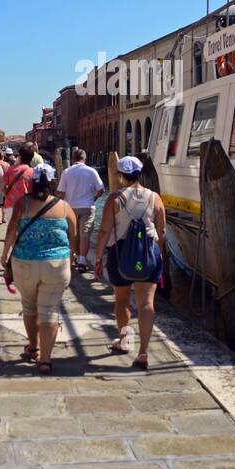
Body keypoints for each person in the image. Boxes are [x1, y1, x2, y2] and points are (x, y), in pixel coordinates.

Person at [1, 163, 77, 375]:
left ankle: (33, 346)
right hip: (56, 265)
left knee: (29, 305)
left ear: (31, 182)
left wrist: (4, 254)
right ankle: (45, 359)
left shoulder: (22, 203)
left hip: (25, 263)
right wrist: (72, 255)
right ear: (53, 181)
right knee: (49, 310)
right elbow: (74, 234)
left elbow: (11, 230)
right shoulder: (64, 206)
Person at [93, 156, 166, 370]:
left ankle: (124, 341)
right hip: (148, 255)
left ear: (121, 175)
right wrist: (158, 253)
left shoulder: (114, 199)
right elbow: (162, 231)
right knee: (146, 303)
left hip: (120, 255)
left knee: (122, 300)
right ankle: (143, 352)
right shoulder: (155, 198)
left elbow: (104, 230)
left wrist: (98, 258)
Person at [56, 147, 104, 272]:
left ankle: (71, 257)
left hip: (70, 207)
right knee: (85, 233)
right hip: (87, 206)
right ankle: (82, 260)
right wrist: (94, 199)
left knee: (72, 233)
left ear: (72, 159)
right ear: (85, 159)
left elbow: (60, 193)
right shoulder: (91, 171)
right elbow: (101, 190)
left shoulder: (66, 172)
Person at [0, 144, 34, 226]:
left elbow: (2, 186)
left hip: (10, 202)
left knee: (12, 226)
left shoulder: (11, 169)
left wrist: (6, 194)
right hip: (27, 204)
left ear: (20, 157)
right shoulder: (33, 171)